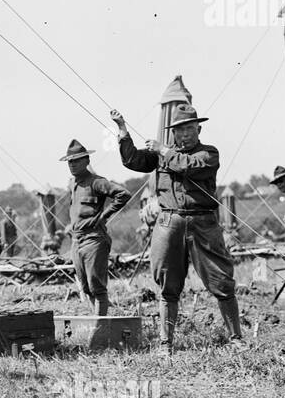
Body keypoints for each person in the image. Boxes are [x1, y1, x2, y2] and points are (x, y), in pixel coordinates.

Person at [111, 103, 243, 352]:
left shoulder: (208, 153)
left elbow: (187, 166)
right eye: (180, 130)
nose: (185, 135)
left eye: (190, 129)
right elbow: (132, 160)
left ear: (199, 129)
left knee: (222, 282)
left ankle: (236, 339)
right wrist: (123, 130)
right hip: (168, 223)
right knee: (167, 285)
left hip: (203, 224)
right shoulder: (163, 154)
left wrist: (163, 149)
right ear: (173, 132)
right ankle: (165, 343)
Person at [61, 139, 131, 315]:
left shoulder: (96, 182)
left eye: (77, 160)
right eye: (70, 161)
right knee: (85, 287)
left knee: (97, 287)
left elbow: (123, 194)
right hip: (77, 241)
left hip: (93, 239)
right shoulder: (73, 184)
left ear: (87, 161)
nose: (73, 164)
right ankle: (96, 322)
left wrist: (104, 216)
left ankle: (101, 327)